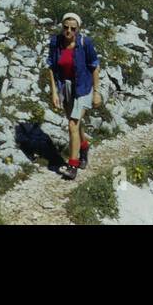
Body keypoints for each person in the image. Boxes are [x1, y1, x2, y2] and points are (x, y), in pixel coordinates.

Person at [47, 11, 101, 179]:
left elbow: (95, 66)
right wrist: (54, 91)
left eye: (73, 28)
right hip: (66, 86)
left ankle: (72, 165)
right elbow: (51, 66)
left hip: (83, 87)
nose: (69, 31)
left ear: (78, 29)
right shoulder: (56, 42)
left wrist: (97, 93)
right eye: (66, 27)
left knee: (72, 124)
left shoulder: (85, 43)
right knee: (76, 124)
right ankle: (84, 147)